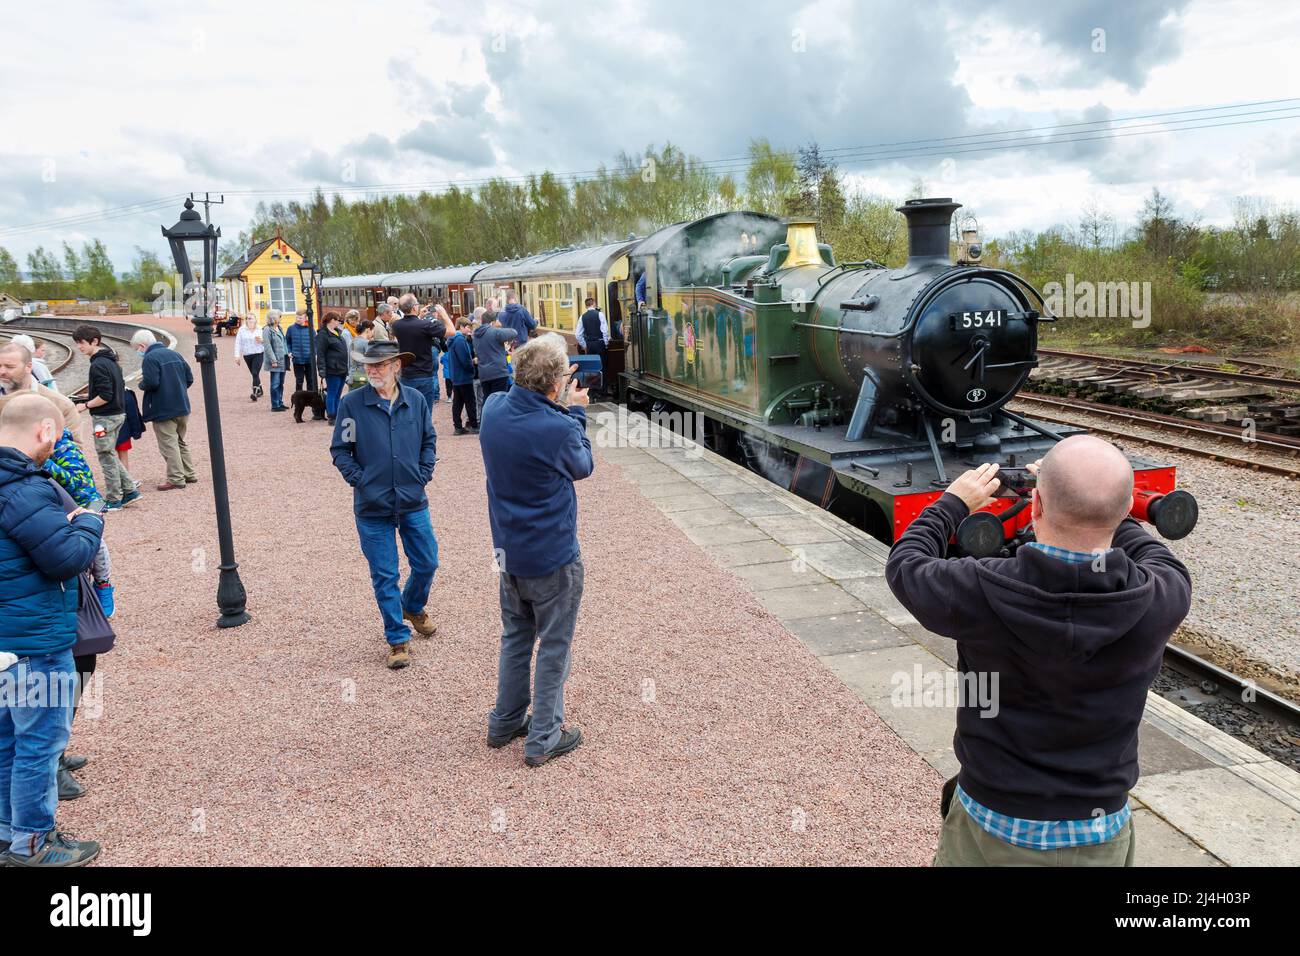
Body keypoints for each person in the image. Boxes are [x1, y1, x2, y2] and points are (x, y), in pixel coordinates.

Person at [885, 435, 1193, 867]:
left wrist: (951, 503)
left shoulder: (980, 589)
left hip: (992, 823)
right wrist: (1105, 510)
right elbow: (1156, 554)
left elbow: (906, 565)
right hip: (1100, 827)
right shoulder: (1162, 596)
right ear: (1125, 511)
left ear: (1036, 507)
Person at [0, 393, 104, 866]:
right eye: (56, 436)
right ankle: (33, 845)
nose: (55, 445)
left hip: (6, 640)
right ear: (44, 430)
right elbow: (65, 558)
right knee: (39, 748)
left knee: (6, 744)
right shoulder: (24, 487)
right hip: (34, 641)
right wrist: (87, 523)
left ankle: (8, 835)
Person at [479, 334, 592, 766]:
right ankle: (543, 736)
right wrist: (576, 411)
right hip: (552, 556)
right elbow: (582, 465)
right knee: (555, 645)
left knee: (516, 637)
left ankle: (505, 721)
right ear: (553, 384)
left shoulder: (492, 410)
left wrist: (559, 401)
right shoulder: (559, 428)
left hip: (508, 553)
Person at [329, 341, 439, 670]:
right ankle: (397, 638)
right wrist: (360, 479)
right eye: (369, 365)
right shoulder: (352, 405)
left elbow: (428, 440)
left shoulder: (416, 401)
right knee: (385, 574)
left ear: (397, 367)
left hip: (412, 500)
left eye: (380, 365)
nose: (373, 370)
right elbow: (340, 450)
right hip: (372, 506)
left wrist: (423, 472)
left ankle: (413, 605)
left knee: (427, 562)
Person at [70, 326, 138, 509]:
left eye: (82, 343)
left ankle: (114, 499)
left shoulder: (97, 364)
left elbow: (105, 395)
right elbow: (112, 389)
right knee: (108, 453)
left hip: (104, 419)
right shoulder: (111, 361)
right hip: (117, 414)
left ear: (95, 341)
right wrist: (90, 395)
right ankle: (130, 490)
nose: (79, 347)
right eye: (77, 343)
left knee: (105, 456)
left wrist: (84, 405)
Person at [133, 329, 197, 490]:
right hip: (182, 405)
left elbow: (152, 382)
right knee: (180, 441)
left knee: (169, 444)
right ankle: (189, 473)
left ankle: (176, 478)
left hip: (162, 407)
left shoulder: (150, 358)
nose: (138, 352)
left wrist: (141, 383)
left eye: (137, 349)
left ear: (142, 345)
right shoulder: (174, 354)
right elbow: (189, 378)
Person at [0, 343, 80, 439]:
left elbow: (74, 448)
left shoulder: (60, 404)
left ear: (28, 367)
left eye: (10, 367)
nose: (2, 372)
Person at [391, 292, 448, 414]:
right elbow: (452, 331)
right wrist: (443, 314)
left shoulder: (396, 325)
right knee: (425, 412)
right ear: (414, 307)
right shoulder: (425, 325)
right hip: (424, 375)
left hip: (405, 375)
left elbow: (412, 326)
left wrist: (419, 317)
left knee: (408, 411)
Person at [472, 310, 516, 400]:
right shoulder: (495, 332)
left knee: (488, 400)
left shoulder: (476, 335)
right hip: (498, 373)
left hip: (484, 374)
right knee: (499, 401)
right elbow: (513, 332)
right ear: (493, 322)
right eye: (497, 320)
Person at [315, 312, 349, 423]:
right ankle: (332, 415)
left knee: (338, 393)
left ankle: (338, 414)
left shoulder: (338, 333)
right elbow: (320, 353)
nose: (339, 322)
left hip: (342, 368)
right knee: (332, 393)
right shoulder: (323, 335)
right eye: (337, 320)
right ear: (331, 320)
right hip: (332, 369)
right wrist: (321, 370)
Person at [447, 317, 478, 435]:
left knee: (458, 402)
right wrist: (472, 365)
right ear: (461, 327)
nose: (469, 330)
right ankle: (474, 425)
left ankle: (458, 426)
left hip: (456, 376)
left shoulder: (453, 339)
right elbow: (465, 360)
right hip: (464, 376)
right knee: (470, 402)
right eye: (468, 327)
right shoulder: (460, 340)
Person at [578, 296, 610, 398]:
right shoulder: (600, 314)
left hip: (590, 345)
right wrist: (605, 343)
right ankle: (602, 391)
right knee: (603, 367)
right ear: (594, 304)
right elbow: (604, 331)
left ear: (586, 306)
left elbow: (578, 334)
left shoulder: (582, 317)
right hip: (600, 344)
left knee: (591, 367)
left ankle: (592, 392)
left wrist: (584, 345)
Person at [261, 310, 289, 412]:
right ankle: (275, 404)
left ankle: (280, 402)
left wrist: (288, 353)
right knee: (275, 383)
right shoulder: (267, 330)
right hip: (275, 361)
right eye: (279, 316)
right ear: (274, 318)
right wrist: (273, 360)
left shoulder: (279, 328)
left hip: (283, 359)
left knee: (281, 382)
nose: (281, 318)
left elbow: (283, 343)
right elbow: (267, 346)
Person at [234, 314, 265, 401]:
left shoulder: (260, 329)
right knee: (254, 374)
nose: (249, 320)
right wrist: (237, 356)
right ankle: (260, 390)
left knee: (255, 373)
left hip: (258, 353)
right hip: (247, 355)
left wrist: (262, 340)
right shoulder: (242, 329)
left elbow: (267, 342)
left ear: (255, 319)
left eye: (251, 318)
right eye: (247, 318)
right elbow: (238, 343)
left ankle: (255, 393)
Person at [284, 310, 315, 393]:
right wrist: (289, 351)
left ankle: (311, 399)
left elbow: (315, 342)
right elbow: (287, 342)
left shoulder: (311, 328)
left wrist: (314, 353)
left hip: (309, 359)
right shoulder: (291, 329)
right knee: (299, 381)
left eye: (300, 318)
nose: (298, 319)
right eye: (297, 317)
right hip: (297, 359)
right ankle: (298, 400)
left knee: (311, 380)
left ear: (305, 318)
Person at [348, 319, 376, 390]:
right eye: (373, 331)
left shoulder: (353, 341)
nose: (373, 333)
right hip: (363, 376)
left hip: (352, 376)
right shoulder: (366, 343)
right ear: (368, 330)